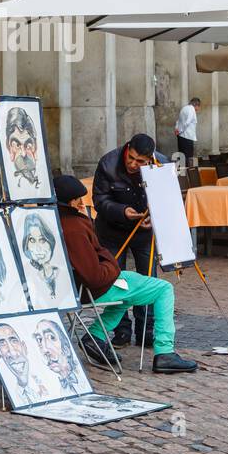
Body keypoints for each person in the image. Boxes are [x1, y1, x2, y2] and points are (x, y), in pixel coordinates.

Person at [54, 175, 197, 374]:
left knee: (130, 292)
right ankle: (165, 353)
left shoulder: (57, 220)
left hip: (77, 286)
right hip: (90, 287)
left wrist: (109, 265)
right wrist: (112, 266)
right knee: (164, 289)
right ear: (68, 201)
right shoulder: (74, 227)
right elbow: (93, 275)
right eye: (77, 199)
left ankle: (95, 336)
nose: (81, 203)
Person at [92, 133, 156, 348]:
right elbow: (99, 200)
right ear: (128, 148)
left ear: (149, 159)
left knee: (147, 279)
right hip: (112, 230)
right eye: (132, 158)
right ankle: (121, 330)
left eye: (140, 162)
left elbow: (168, 199)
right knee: (116, 280)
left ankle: (146, 330)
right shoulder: (108, 163)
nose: (133, 164)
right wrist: (122, 211)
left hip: (144, 232)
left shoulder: (160, 165)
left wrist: (153, 218)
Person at [0, 322, 51, 406]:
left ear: (24, 347)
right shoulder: (14, 392)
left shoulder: (48, 382)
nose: (12, 352)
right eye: (2, 343)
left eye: (14, 341)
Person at [33, 318, 82, 395]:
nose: (45, 350)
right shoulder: (52, 390)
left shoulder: (82, 380)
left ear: (66, 349)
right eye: (39, 340)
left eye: (51, 338)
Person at [174, 97, 201, 165]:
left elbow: (178, 121)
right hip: (187, 137)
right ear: (196, 105)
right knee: (188, 158)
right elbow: (187, 122)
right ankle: (187, 174)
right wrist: (180, 131)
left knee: (182, 156)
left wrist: (176, 129)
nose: (198, 109)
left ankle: (182, 173)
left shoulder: (184, 108)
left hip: (181, 136)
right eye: (199, 106)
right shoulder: (191, 109)